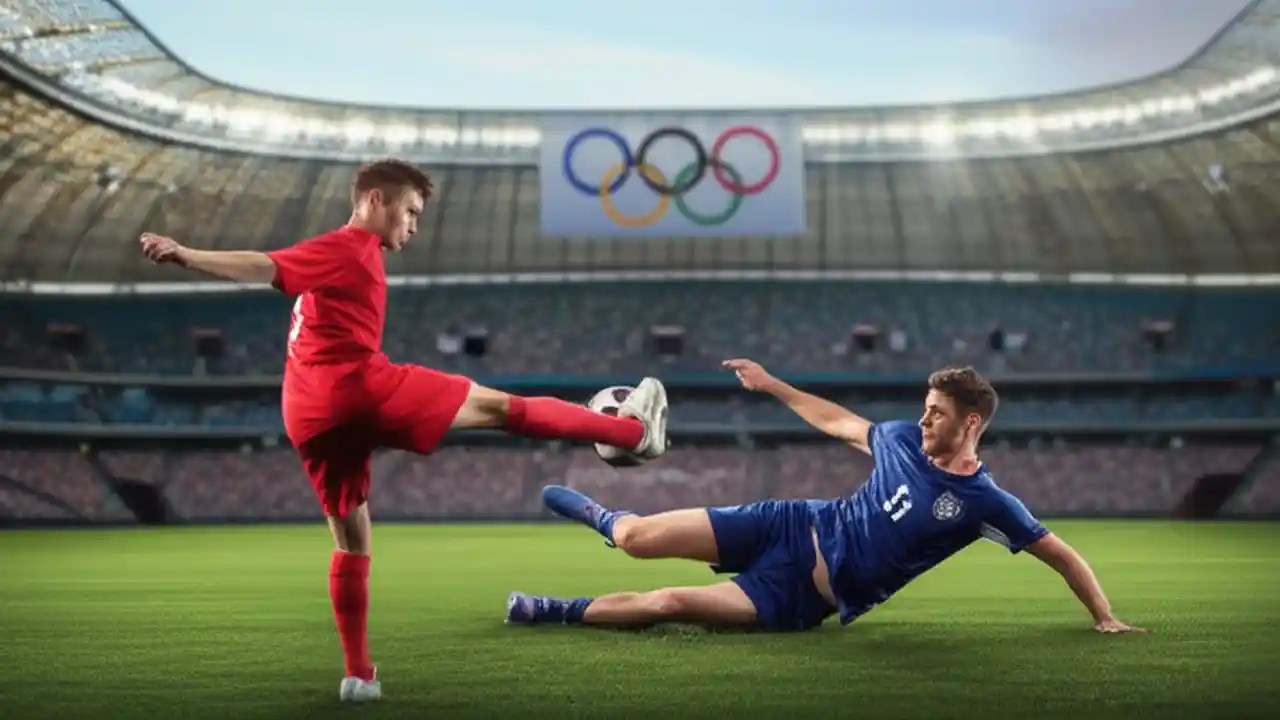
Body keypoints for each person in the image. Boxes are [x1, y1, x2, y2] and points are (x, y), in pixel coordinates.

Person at [138, 159, 670, 703]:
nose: (414, 225)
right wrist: (188, 254)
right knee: (499, 408)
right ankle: (629, 434)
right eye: (410, 211)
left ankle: (357, 676)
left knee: (352, 539)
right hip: (358, 387)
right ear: (374, 200)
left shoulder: (350, 261)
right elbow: (266, 267)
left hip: (306, 415)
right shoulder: (350, 246)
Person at [507, 360, 1145, 636]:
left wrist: (1103, 615)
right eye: (923, 410)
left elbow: (1062, 554)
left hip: (800, 595)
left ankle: (552, 611)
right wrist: (770, 385)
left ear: (970, 423)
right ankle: (605, 518)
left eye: (935, 414)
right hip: (788, 524)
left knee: (670, 601)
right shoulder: (896, 438)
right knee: (635, 539)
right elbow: (835, 418)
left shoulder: (985, 502)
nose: (921, 421)